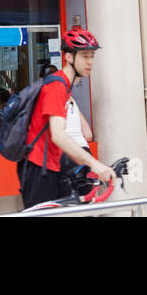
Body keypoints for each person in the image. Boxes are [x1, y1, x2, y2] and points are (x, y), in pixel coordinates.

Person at [17, 28, 113, 208]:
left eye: (92, 56)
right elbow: (58, 135)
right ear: (69, 57)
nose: (90, 62)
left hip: (51, 166)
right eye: (85, 56)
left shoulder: (64, 86)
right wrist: (95, 164)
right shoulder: (56, 86)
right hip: (38, 169)